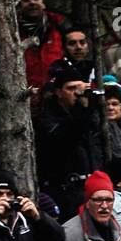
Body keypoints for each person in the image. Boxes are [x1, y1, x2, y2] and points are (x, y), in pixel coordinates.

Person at [35, 68, 102, 217]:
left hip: (91, 187)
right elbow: (65, 140)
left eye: (80, 88)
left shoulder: (91, 116)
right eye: (71, 88)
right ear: (58, 92)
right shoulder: (47, 118)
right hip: (63, 192)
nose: (76, 93)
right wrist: (82, 109)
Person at [17, 0, 65, 91]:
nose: (32, 2)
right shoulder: (12, 32)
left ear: (43, 3)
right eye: (26, 0)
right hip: (24, 94)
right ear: (19, 4)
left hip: (57, 94)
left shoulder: (58, 27)